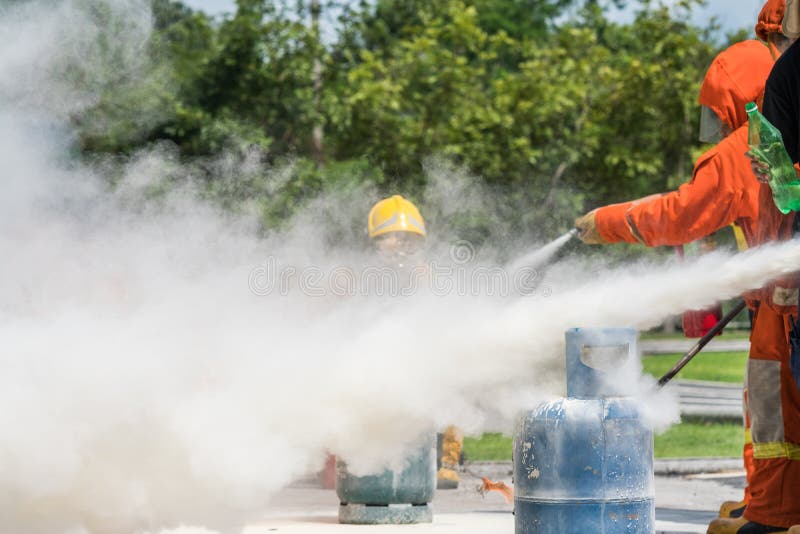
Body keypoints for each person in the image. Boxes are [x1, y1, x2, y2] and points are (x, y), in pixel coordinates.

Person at [575, 11, 800, 532]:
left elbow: (675, 216)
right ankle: (766, 507)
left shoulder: (737, 153)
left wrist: (603, 222)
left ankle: (771, 514)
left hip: (780, 310)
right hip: (776, 301)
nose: (718, 126)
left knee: (773, 414)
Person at [367, 195, 464, 490]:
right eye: (394, 239)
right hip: (383, 360)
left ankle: (448, 463)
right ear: (376, 242)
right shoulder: (367, 276)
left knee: (452, 381)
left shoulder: (425, 275)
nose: (402, 245)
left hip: (424, 356)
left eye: (409, 240)